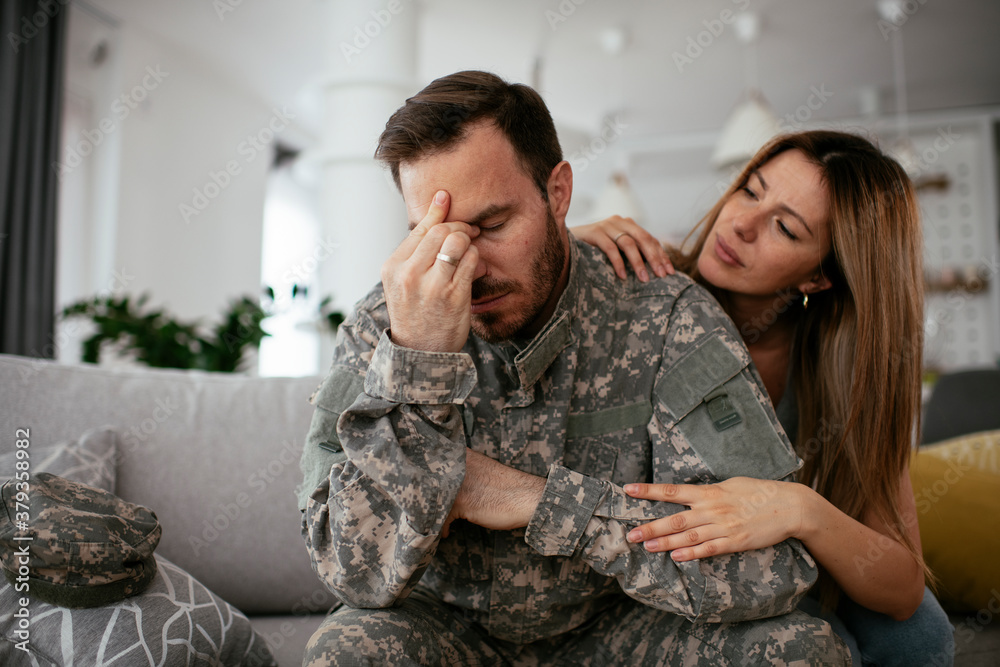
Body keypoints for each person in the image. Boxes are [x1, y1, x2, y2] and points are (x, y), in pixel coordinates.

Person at [296, 71, 849, 666]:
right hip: (445, 632)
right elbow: (355, 578)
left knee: (800, 651)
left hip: (619, 633)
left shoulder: (666, 318)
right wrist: (419, 363)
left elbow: (771, 571)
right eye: (432, 235)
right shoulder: (384, 323)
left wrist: (541, 502)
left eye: (492, 226)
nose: (467, 265)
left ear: (558, 193)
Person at [573, 130, 953, 666]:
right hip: (670, 572)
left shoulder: (842, 368)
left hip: (786, 560)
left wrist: (799, 509)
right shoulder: (644, 289)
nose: (741, 224)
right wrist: (560, 251)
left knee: (921, 635)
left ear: (820, 277)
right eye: (751, 191)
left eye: (784, 227)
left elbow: (902, 587)